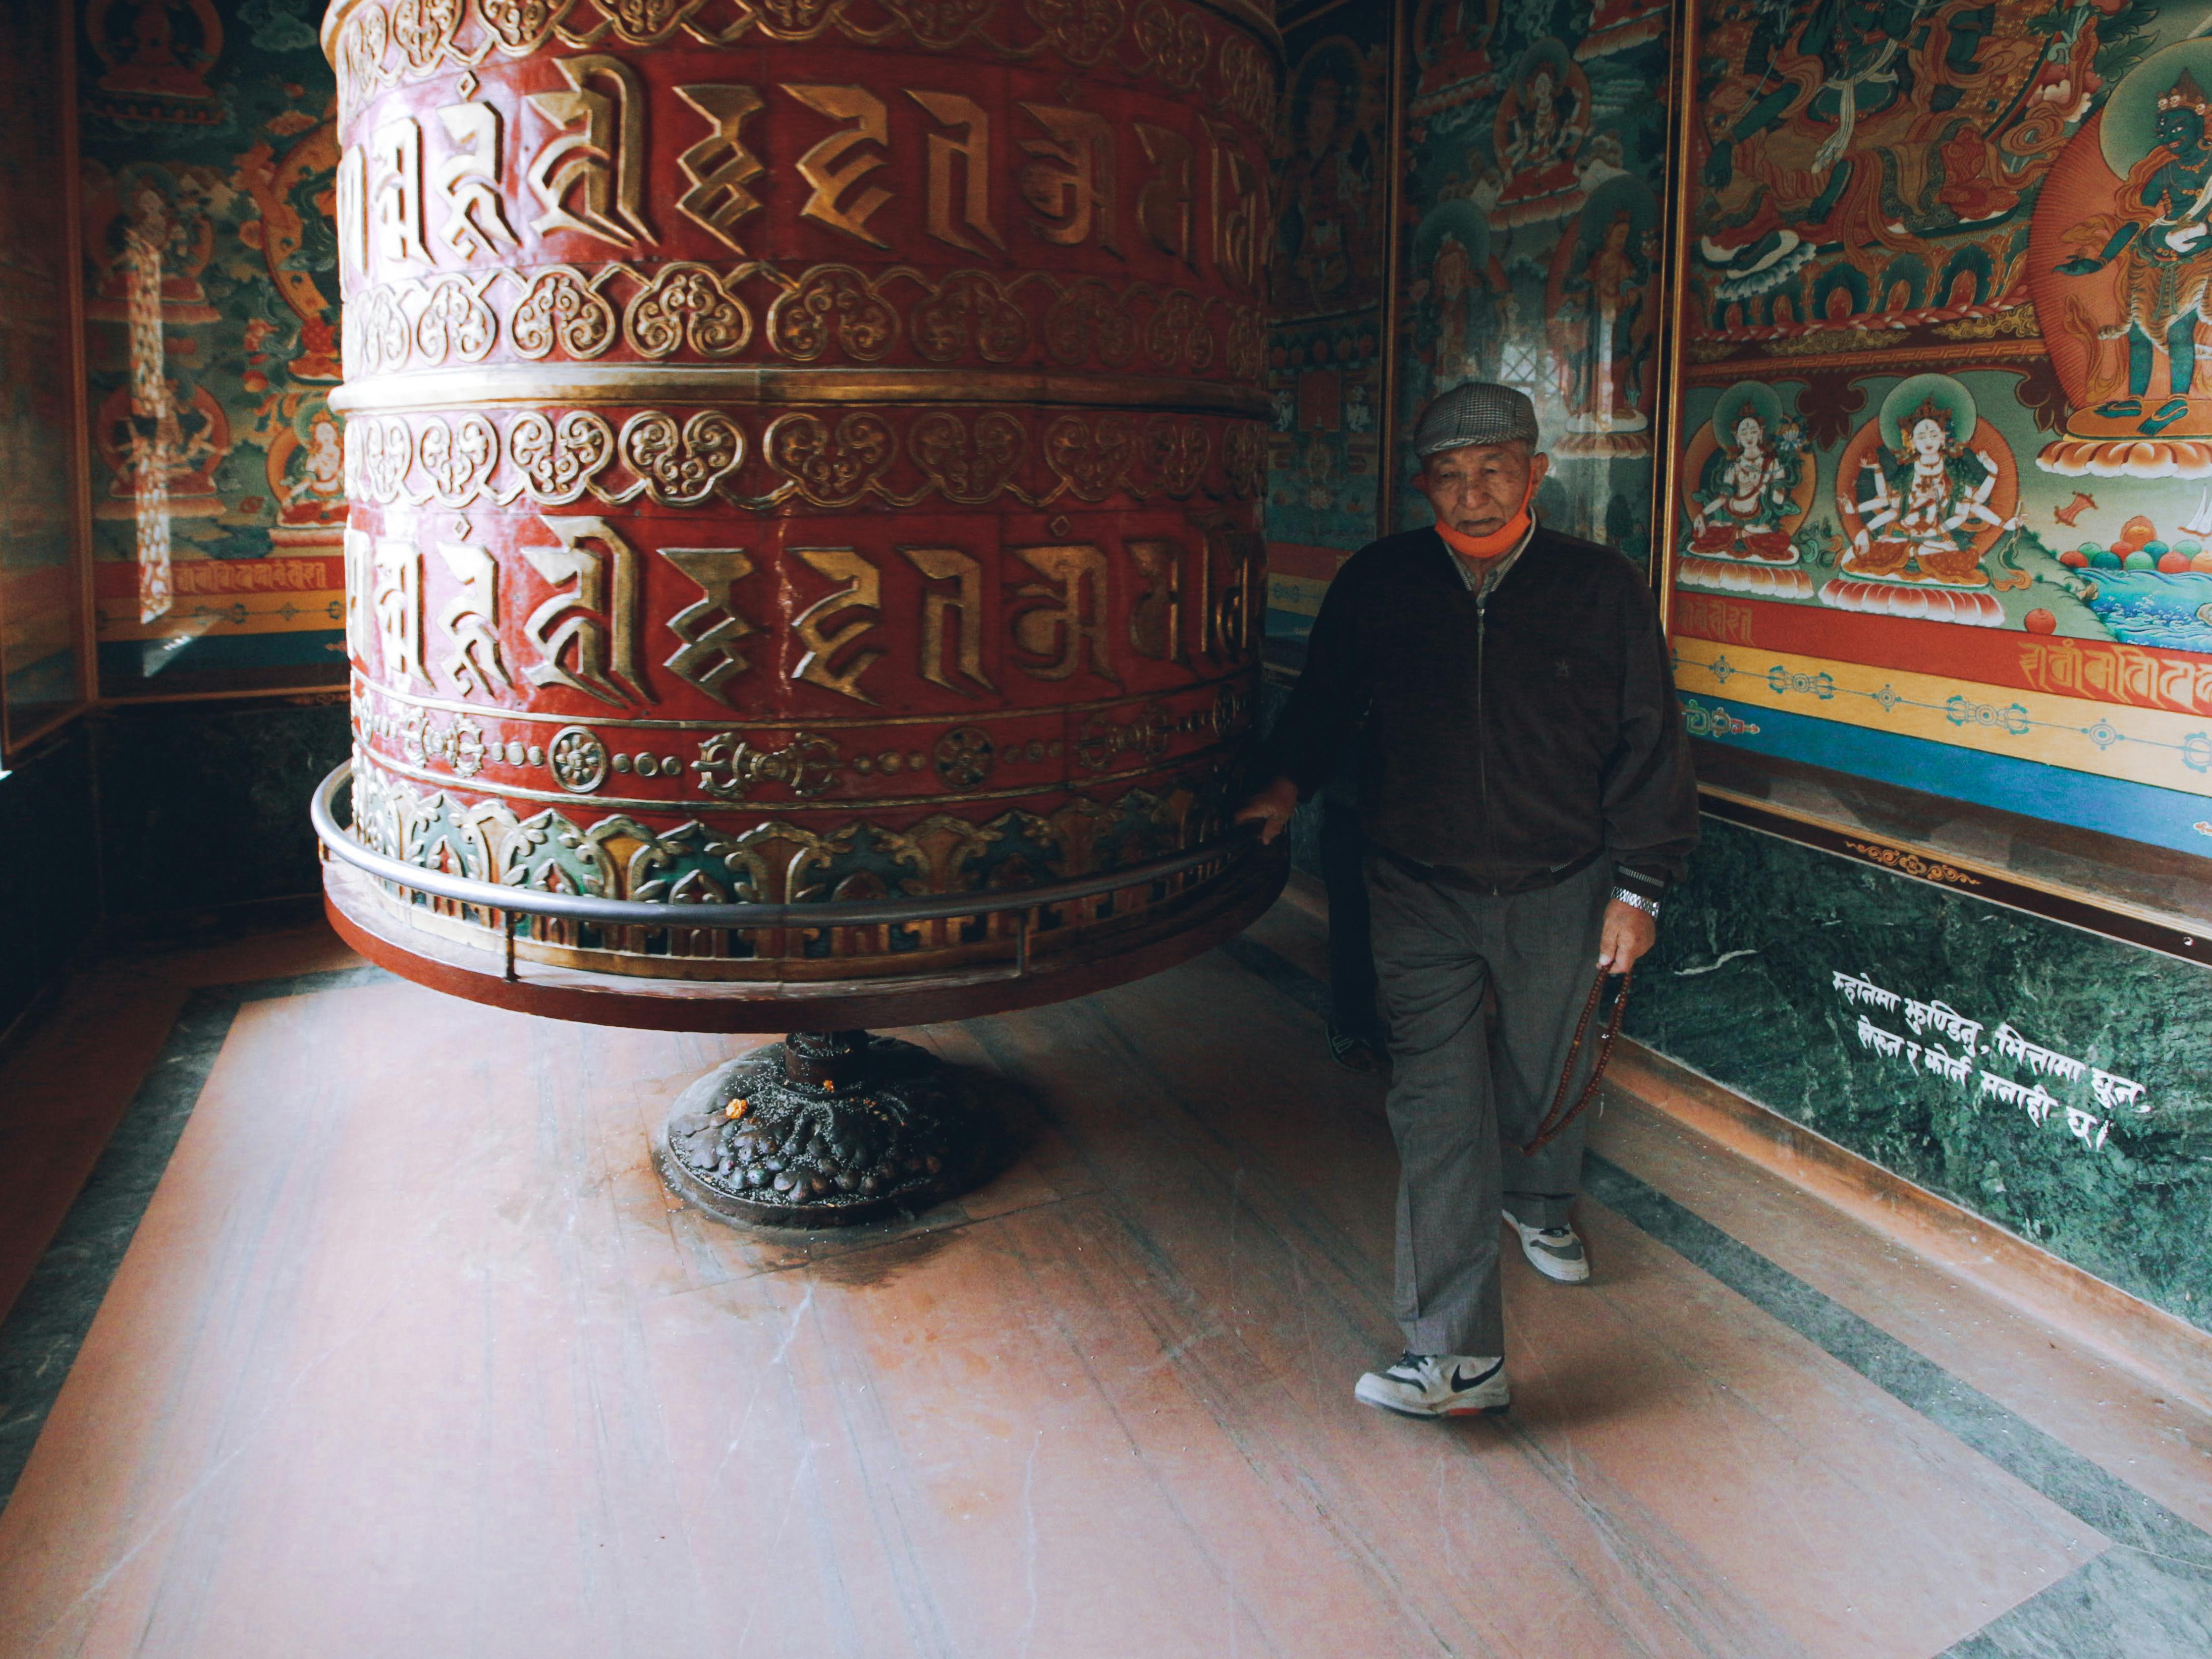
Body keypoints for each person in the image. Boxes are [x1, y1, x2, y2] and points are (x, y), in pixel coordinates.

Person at [1237, 382, 1698, 1420]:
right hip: (1416, 887)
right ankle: (1457, 1358)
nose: (1472, 489)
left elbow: (1648, 741)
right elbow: (1322, 703)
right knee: (1438, 1109)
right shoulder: (1380, 581)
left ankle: (1537, 1205)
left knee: (1545, 1065)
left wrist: (1638, 888)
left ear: (1535, 474)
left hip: (1561, 883)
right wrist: (1279, 785)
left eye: (1493, 468)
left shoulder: (1597, 587)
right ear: (1421, 483)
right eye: (1448, 472)